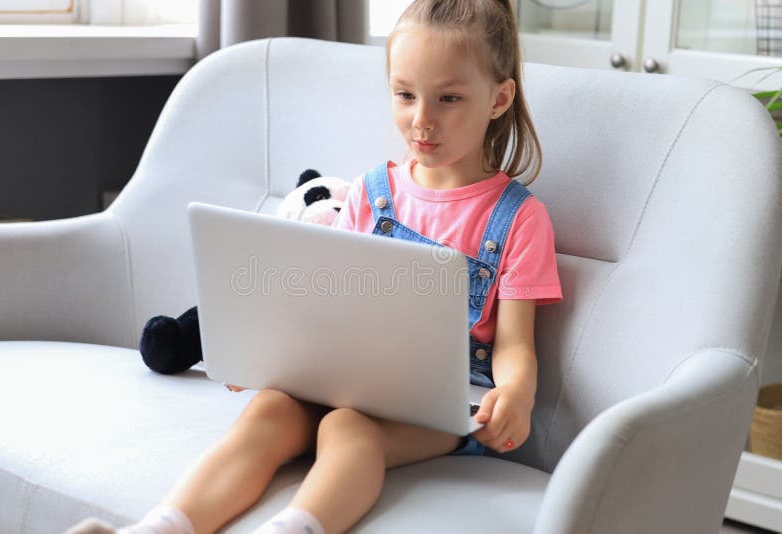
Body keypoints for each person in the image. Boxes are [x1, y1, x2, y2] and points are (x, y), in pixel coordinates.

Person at [66, 0, 562, 533]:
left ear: (499, 98)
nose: (421, 119)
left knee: (349, 428)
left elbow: (513, 345)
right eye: (404, 95)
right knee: (267, 411)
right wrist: (266, 356)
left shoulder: (518, 218)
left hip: (440, 407)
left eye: (449, 98)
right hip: (342, 376)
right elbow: (324, 303)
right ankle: (159, 528)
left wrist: (514, 396)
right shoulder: (372, 191)